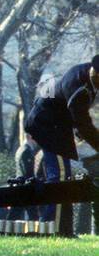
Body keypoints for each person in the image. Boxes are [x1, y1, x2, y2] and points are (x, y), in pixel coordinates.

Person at [24, 57, 99, 232]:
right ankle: (55, 228)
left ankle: (60, 227)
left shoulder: (87, 78)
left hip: (57, 126)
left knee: (62, 177)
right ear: (95, 73)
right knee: (60, 177)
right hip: (47, 126)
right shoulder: (80, 88)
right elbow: (83, 123)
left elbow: (78, 120)